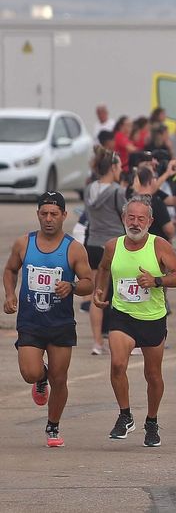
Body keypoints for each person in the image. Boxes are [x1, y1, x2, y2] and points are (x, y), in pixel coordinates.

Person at [93, 196, 176, 447]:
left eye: (141, 219)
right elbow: (103, 268)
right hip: (122, 314)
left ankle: (152, 421)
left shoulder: (159, 246)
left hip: (152, 317)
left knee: (153, 374)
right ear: (123, 219)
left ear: (150, 221)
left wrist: (156, 281)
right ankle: (125, 416)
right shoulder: (113, 246)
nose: (135, 223)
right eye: (131, 218)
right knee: (117, 365)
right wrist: (100, 290)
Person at [3, 192, 96, 447]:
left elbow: (89, 282)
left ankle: (53, 426)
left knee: (60, 378)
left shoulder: (73, 249)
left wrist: (73, 286)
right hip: (31, 320)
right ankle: (39, 380)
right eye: (44, 214)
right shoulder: (24, 243)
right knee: (30, 372)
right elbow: (11, 269)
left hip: (60, 323)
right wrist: (10, 294)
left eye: (54, 214)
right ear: (37, 215)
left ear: (64, 216)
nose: (48, 219)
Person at [84, 148, 127, 355]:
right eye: (119, 166)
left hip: (92, 243)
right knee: (118, 293)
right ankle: (117, 338)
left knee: (97, 293)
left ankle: (97, 342)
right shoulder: (117, 191)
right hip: (112, 245)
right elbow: (125, 215)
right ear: (112, 167)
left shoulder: (89, 189)